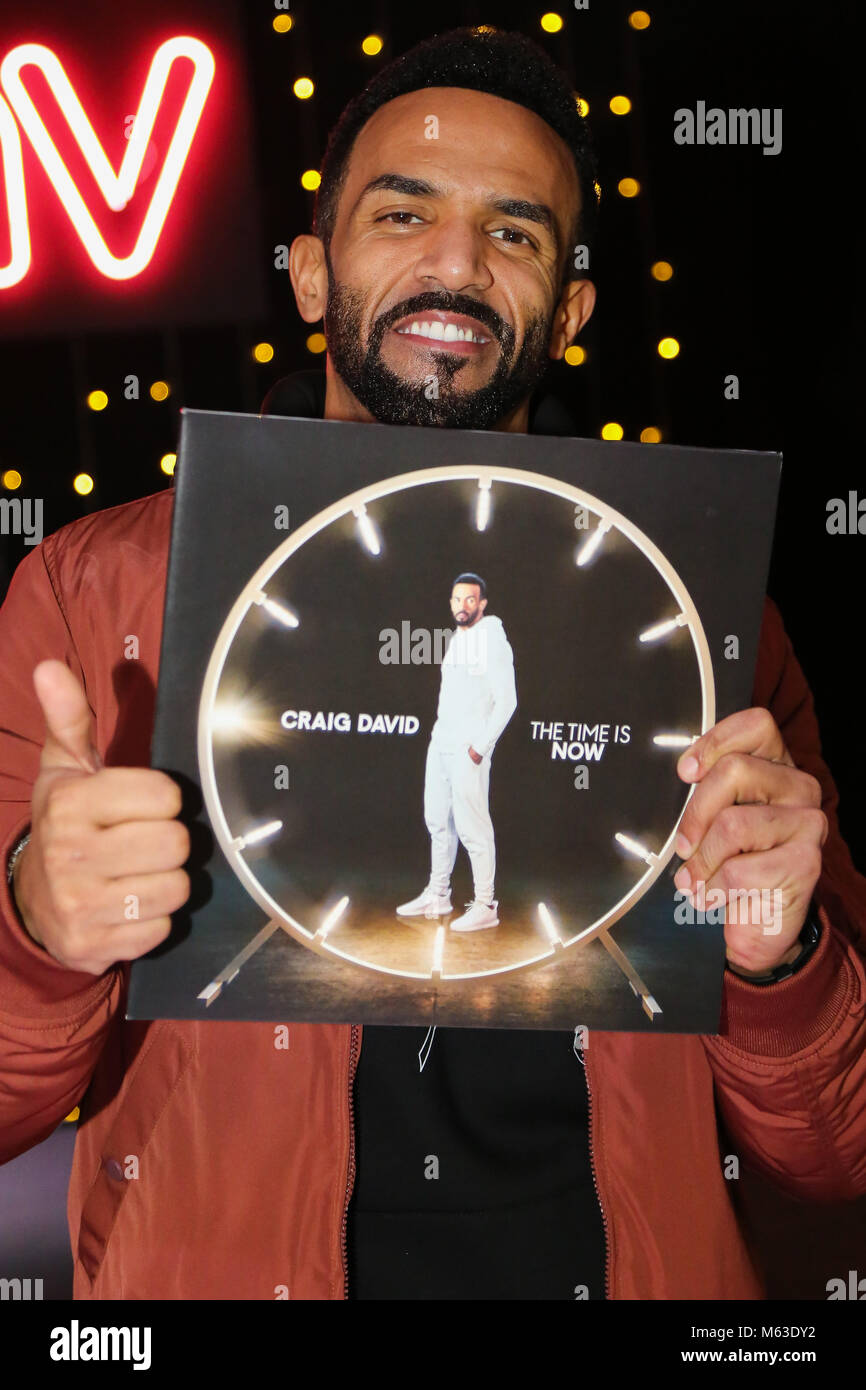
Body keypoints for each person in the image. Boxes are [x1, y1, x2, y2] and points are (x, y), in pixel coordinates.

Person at [1, 27, 865, 1301]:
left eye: (513, 233)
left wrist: (777, 959)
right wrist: (35, 932)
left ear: (567, 311)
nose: (455, 263)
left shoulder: (705, 612)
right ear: (309, 274)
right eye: (401, 213)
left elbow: (835, 1154)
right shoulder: (90, 592)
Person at [396, 572, 517, 932]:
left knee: (472, 827)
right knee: (437, 820)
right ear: (451, 602)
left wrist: (480, 748)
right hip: (442, 742)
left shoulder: (492, 639)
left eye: (470, 599)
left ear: (482, 604)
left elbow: (507, 701)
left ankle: (485, 905)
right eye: (457, 599)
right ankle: (439, 894)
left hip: (468, 750)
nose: (463, 606)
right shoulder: (457, 638)